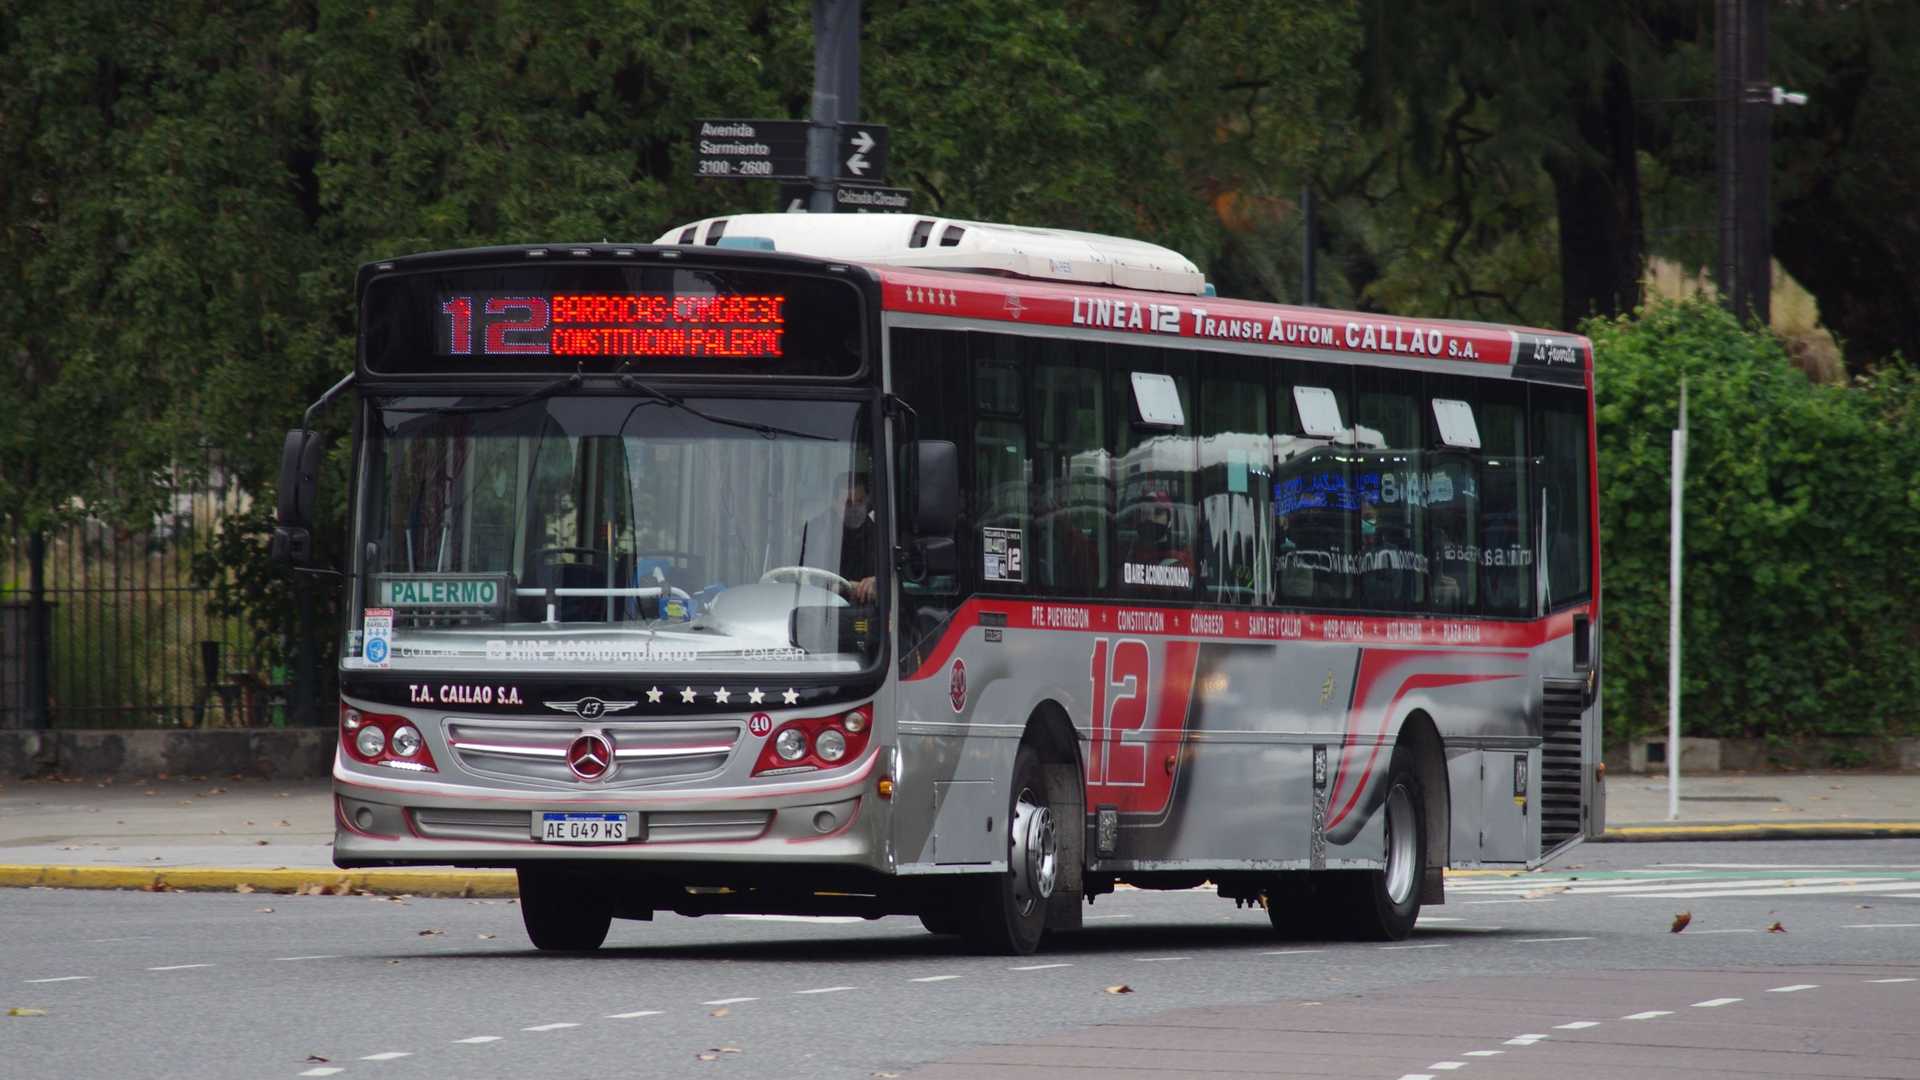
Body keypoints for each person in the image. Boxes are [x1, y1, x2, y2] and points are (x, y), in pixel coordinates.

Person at [803, 472, 878, 604]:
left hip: (867, 612)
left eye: (859, 502)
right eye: (848, 503)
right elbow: (811, 577)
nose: (854, 509)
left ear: (867, 501)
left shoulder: (878, 534)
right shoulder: (817, 531)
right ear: (834, 502)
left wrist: (877, 581)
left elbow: (889, 576)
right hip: (823, 609)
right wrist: (846, 587)